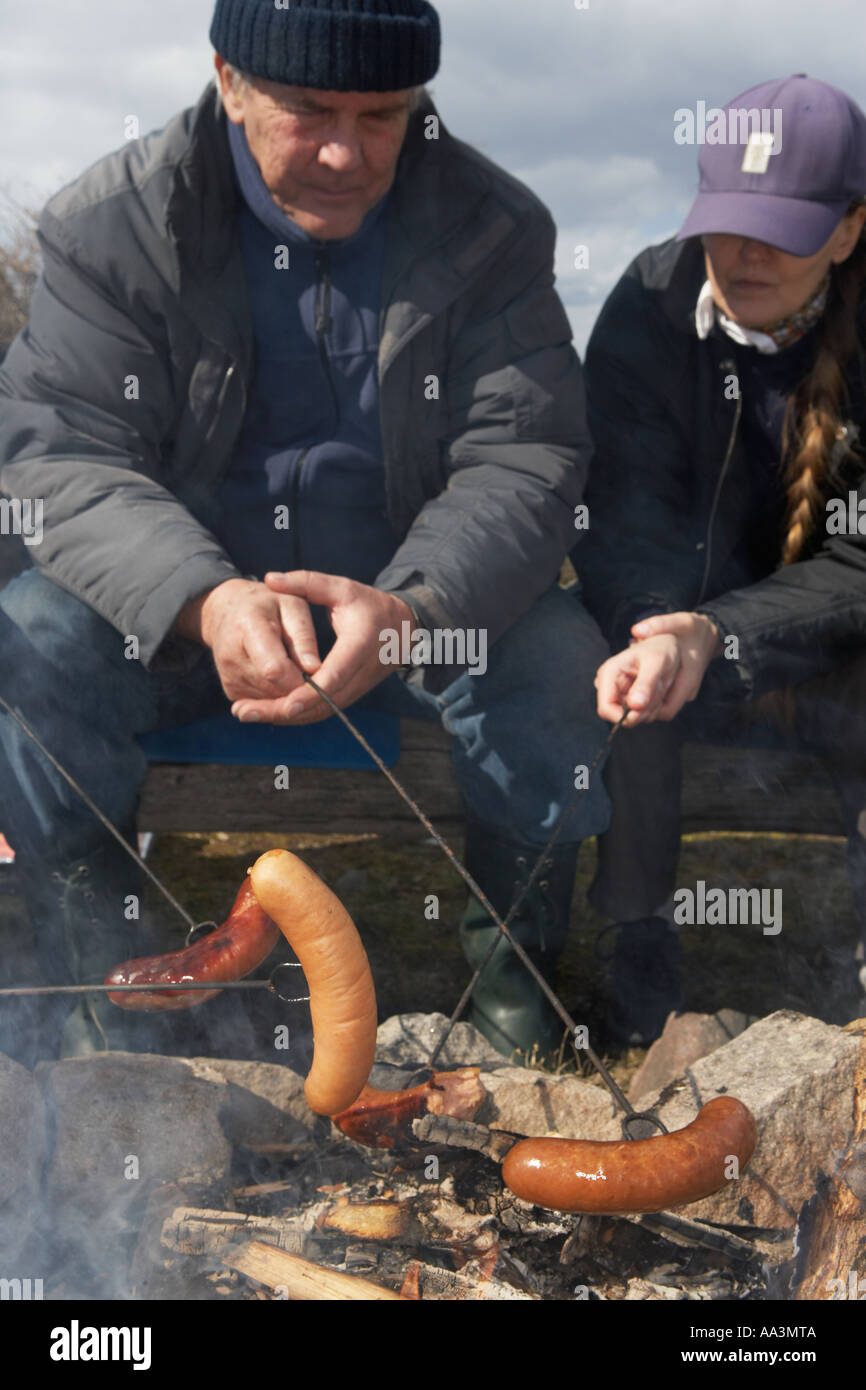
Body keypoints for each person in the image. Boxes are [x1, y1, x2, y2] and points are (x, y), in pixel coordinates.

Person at [0, 0, 610, 1064]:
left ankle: (512, 999)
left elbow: (525, 459)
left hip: (400, 614)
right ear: (230, 80)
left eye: (381, 115)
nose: (344, 152)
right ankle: (108, 994)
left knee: (555, 658)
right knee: (35, 635)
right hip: (182, 619)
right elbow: (63, 457)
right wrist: (203, 595)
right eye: (307, 110)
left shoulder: (493, 227)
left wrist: (416, 606)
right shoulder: (112, 225)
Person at [578, 74, 866, 1045]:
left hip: (836, 627)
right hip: (684, 612)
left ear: (847, 229)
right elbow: (617, 506)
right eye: (723, 222)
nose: (739, 255)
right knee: (633, 675)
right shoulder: (649, 302)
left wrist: (725, 635)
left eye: (778, 229)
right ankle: (637, 941)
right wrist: (662, 624)